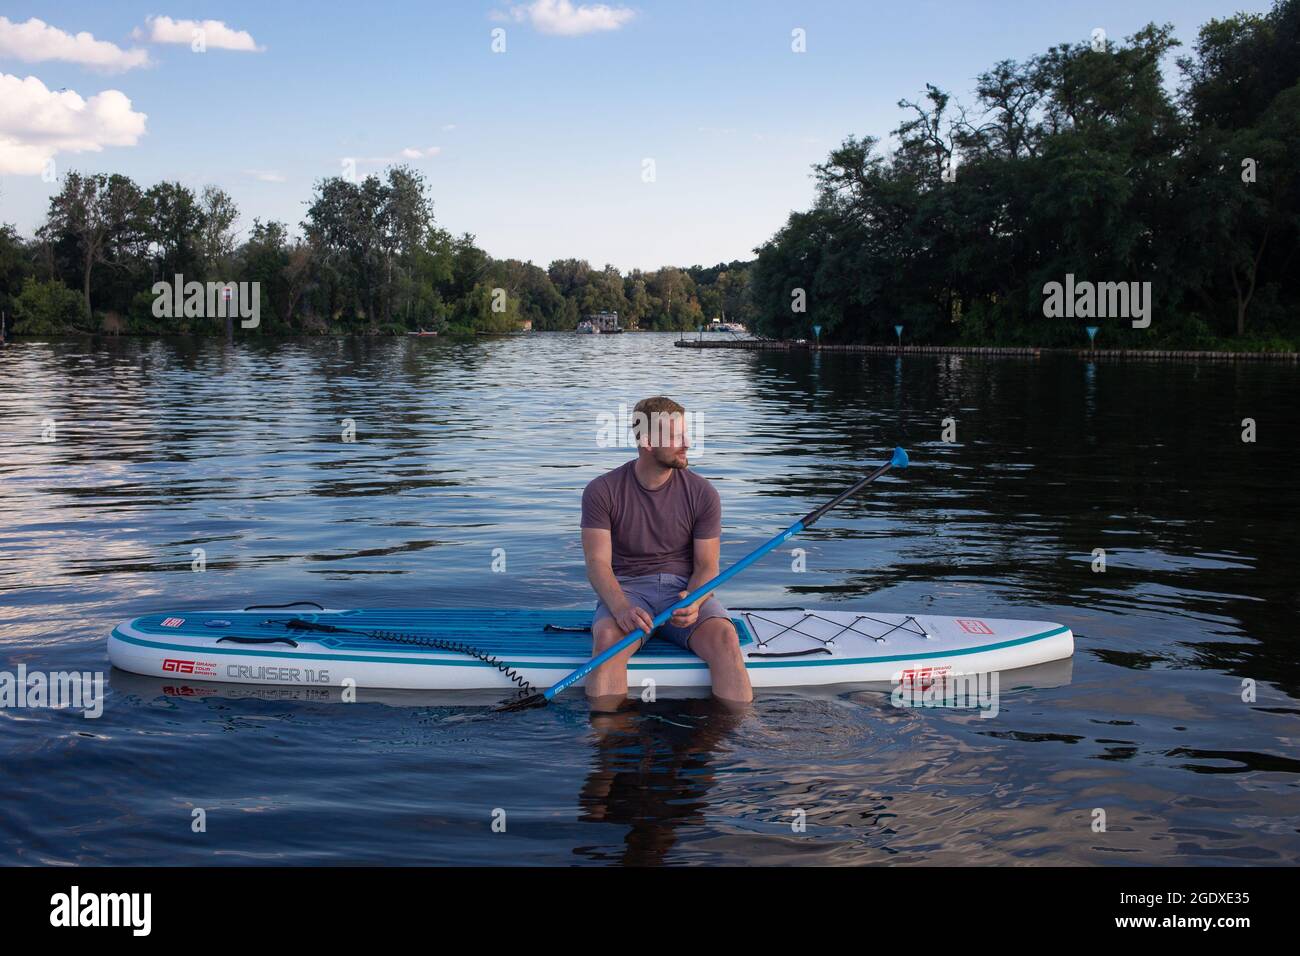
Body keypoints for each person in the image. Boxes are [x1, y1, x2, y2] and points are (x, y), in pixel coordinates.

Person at [580, 395, 752, 707]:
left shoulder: (703, 493)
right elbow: (597, 564)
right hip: (628, 592)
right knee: (607, 640)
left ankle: (739, 739)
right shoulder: (601, 491)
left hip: (683, 593)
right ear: (646, 441)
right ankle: (608, 741)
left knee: (727, 640)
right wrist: (620, 609)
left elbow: (707, 566)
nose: (687, 443)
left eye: (687, 434)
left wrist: (696, 601)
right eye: (676, 436)